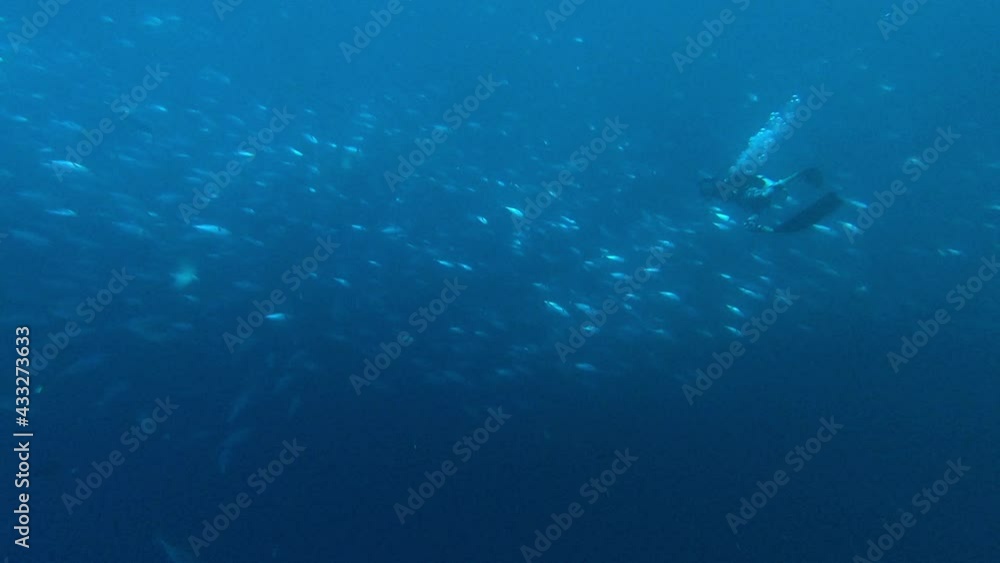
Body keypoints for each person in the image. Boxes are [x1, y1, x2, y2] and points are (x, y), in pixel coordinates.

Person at [698, 168, 840, 233]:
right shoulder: (731, 194)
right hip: (759, 197)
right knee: (763, 199)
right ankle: (797, 176)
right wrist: (754, 219)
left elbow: (753, 196)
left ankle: (799, 174)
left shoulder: (731, 185)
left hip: (761, 191)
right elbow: (753, 206)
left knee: (764, 196)